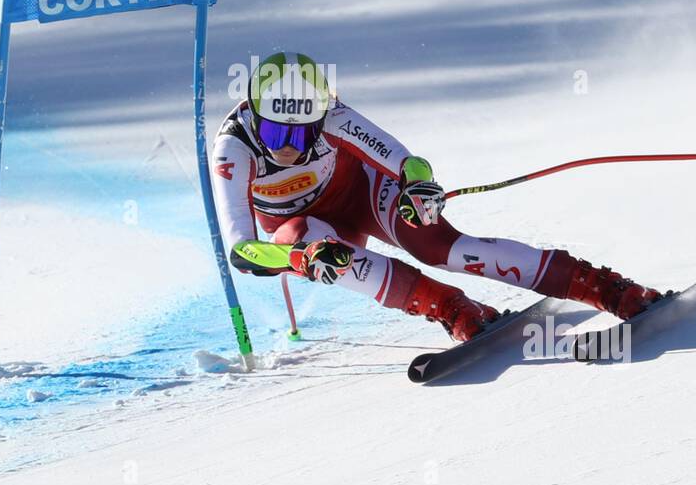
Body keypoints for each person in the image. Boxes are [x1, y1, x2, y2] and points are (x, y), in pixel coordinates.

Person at [210, 52, 661, 342]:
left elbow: (405, 161)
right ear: (254, 114)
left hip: (360, 193)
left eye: (298, 131)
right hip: (309, 231)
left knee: (440, 247)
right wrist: (296, 261)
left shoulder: (332, 114)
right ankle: (452, 307)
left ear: (319, 115)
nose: (285, 144)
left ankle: (601, 286)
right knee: (314, 248)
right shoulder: (234, 147)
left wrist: (419, 189)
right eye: (272, 129)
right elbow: (242, 249)